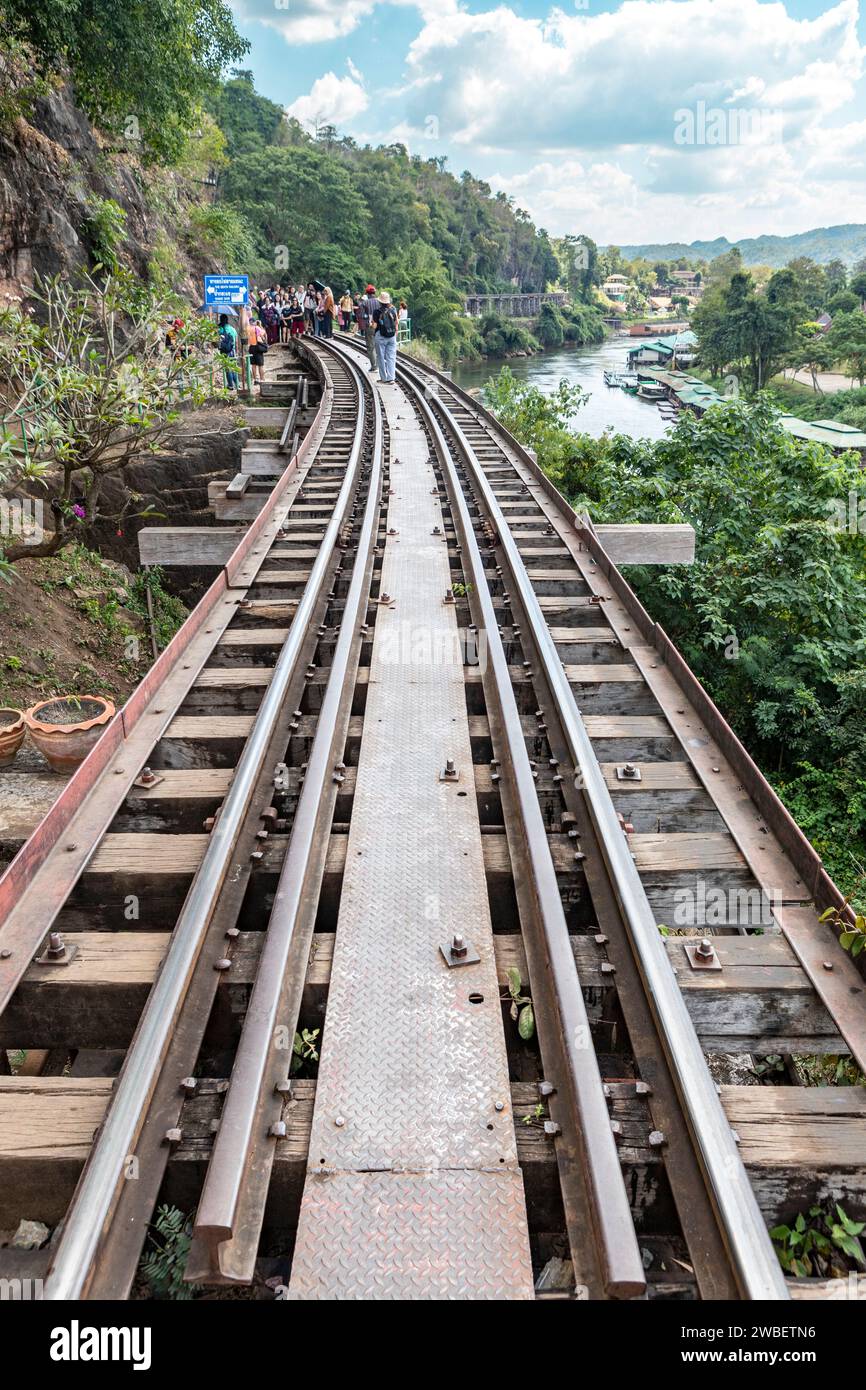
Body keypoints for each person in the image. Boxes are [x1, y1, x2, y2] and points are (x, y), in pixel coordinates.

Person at [373, 290, 398, 383]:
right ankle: (391, 378)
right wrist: (395, 332)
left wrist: (371, 327)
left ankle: (383, 378)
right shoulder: (393, 310)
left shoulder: (376, 312)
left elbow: (375, 325)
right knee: (391, 357)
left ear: (380, 302)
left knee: (380, 357)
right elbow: (396, 323)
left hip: (380, 336)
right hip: (391, 336)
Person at [358, 284, 380, 371]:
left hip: (370, 326)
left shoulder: (365, 303)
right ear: (374, 293)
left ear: (367, 294)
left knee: (371, 346)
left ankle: (374, 366)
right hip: (379, 326)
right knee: (378, 346)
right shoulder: (379, 302)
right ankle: (379, 365)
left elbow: (362, 315)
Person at [217, 312, 239, 391]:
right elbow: (236, 342)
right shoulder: (232, 329)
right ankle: (237, 384)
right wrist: (236, 350)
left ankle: (230, 385)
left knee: (227, 368)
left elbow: (217, 340)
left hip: (224, 352)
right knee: (233, 367)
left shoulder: (220, 329)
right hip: (232, 351)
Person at [249, 316, 267, 389]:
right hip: (258, 347)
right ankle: (262, 379)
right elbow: (262, 337)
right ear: (254, 322)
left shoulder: (248, 329)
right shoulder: (258, 328)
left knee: (253, 365)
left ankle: (255, 380)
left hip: (251, 347)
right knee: (260, 365)